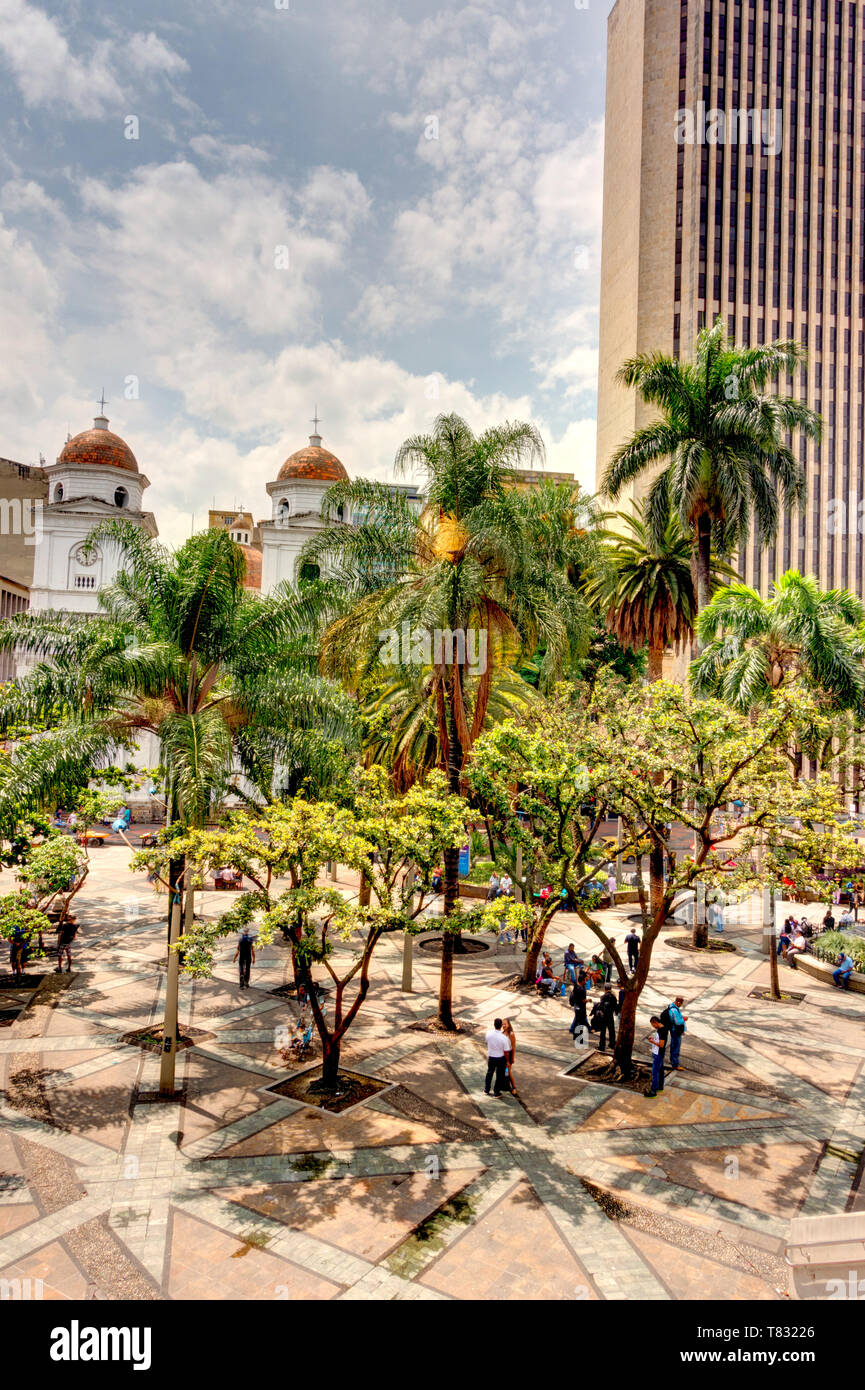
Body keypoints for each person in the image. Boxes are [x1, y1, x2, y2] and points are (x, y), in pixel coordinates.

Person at [484, 1018, 510, 1097]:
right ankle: (496, 1092)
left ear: (494, 1024)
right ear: (501, 1026)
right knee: (499, 1075)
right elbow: (506, 1051)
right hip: (500, 1058)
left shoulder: (488, 1033)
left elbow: (487, 1042)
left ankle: (486, 1090)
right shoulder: (504, 1038)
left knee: (489, 1073)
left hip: (491, 1057)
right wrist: (508, 1061)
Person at [660, 995, 687, 1069]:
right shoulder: (674, 1010)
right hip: (675, 1031)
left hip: (675, 1030)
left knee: (675, 1046)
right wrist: (684, 1019)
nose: (681, 1005)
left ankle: (674, 1061)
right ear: (678, 1002)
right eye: (681, 1003)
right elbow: (678, 1022)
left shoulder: (672, 1007)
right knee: (675, 1047)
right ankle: (675, 1064)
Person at [592, 984, 618, 1053]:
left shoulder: (603, 997)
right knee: (611, 1030)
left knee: (603, 1031)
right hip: (610, 1016)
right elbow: (615, 1006)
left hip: (604, 1017)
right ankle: (612, 1044)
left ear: (605, 989)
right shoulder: (613, 997)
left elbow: (601, 1006)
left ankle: (602, 1046)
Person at [645, 1016, 666, 1097]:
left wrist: (652, 1041)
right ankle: (660, 1086)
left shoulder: (662, 1031)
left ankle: (653, 1091)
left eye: (652, 1025)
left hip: (658, 1054)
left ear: (655, 1022)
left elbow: (661, 1045)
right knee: (660, 1070)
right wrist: (654, 1039)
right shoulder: (661, 1029)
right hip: (658, 1053)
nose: (653, 1026)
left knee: (655, 1072)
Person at [568, 971, 590, 1037]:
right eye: (585, 980)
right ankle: (580, 1030)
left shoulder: (577, 985)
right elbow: (583, 1000)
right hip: (580, 1005)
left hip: (577, 1005)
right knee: (580, 1018)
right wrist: (588, 1000)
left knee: (578, 1017)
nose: (586, 981)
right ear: (582, 981)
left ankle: (572, 1029)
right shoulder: (580, 989)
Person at [501, 1018, 518, 1095]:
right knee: (504, 1071)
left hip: (509, 1054)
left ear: (508, 1024)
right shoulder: (502, 1033)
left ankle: (513, 1087)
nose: (503, 1025)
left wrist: (512, 1058)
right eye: (502, 1024)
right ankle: (506, 1086)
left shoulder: (511, 1034)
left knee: (508, 1071)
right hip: (503, 1055)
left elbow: (513, 1046)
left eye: (505, 1024)